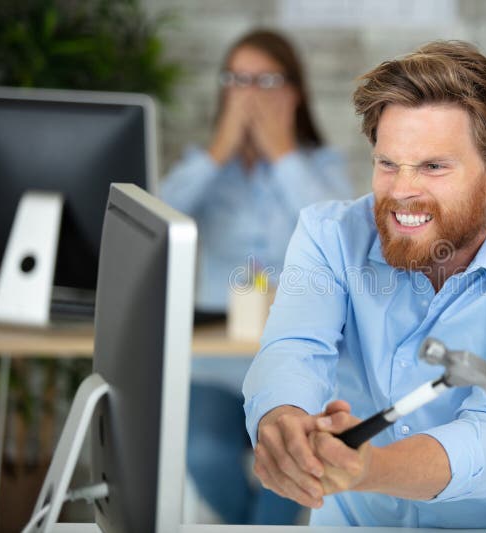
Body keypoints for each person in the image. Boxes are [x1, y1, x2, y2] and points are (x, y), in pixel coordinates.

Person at [242, 40, 486, 528]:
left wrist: (369, 468)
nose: (402, 191)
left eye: (434, 166)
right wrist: (282, 422)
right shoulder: (330, 236)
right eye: (387, 163)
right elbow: (293, 349)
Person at [160, 29, 353, 524]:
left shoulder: (321, 169)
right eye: (237, 80)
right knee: (203, 451)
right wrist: (220, 149)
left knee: (292, 464)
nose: (248, 95)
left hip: (295, 358)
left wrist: (282, 152)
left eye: (264, 80)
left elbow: (338, 235)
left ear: (294, 91)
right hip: (214, 364)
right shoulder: (202, 170)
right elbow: (155, 222)